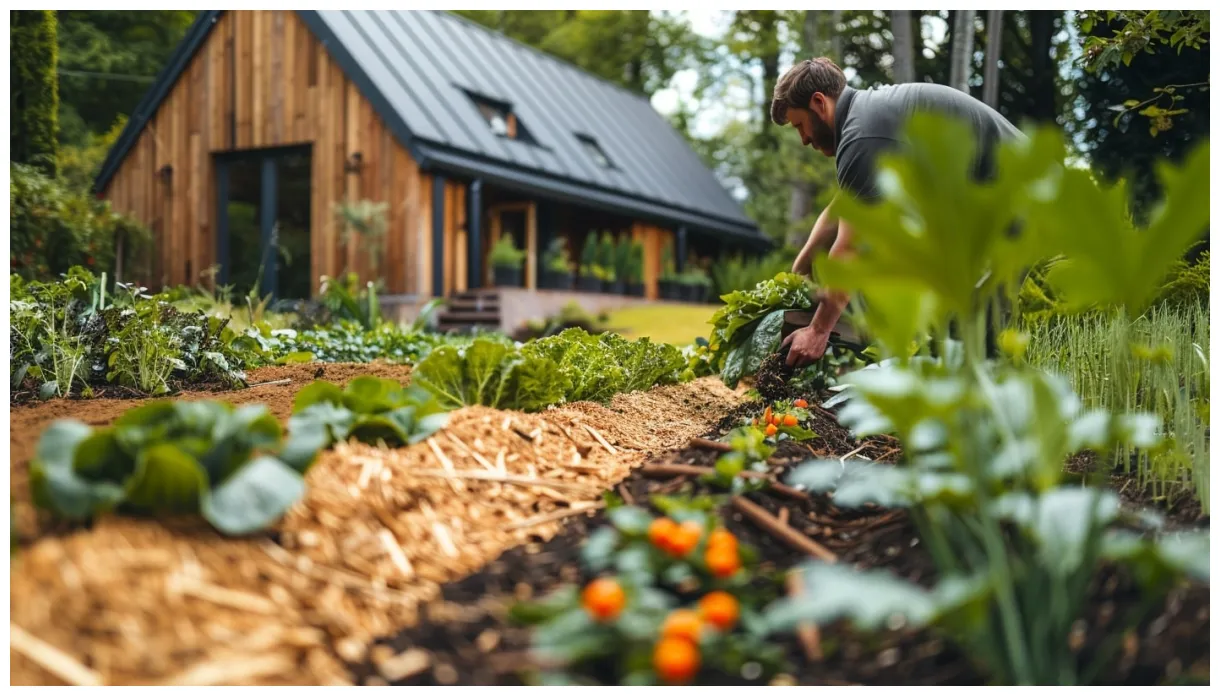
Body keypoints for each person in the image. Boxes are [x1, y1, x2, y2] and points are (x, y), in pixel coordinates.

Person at [771, 57, 1024, 368]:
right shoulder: (864, 121)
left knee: (974, 339)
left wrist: (819, 330)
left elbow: (850, 251)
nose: (804, 139)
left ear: (820, 103)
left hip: (1022, 208)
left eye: (800, 125)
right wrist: (801, 269)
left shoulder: (863, 135)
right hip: (994, 214)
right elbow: (842, 210)